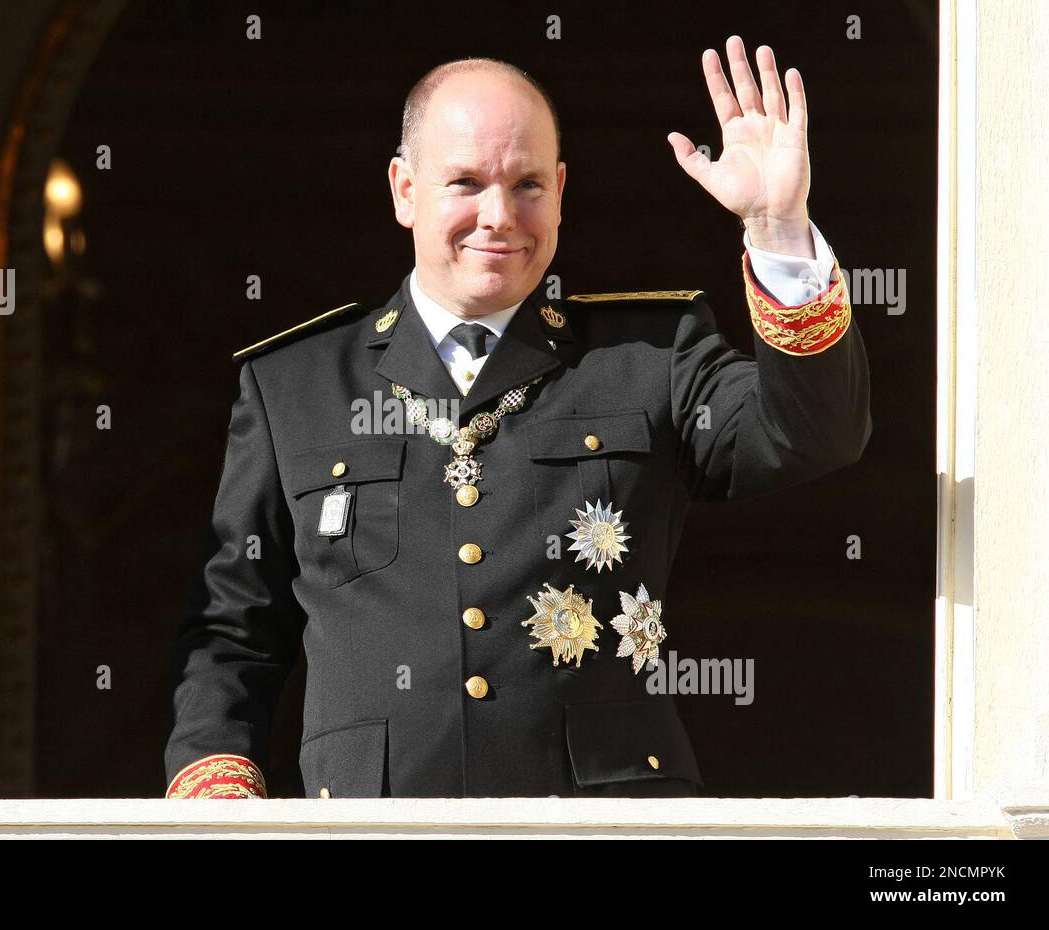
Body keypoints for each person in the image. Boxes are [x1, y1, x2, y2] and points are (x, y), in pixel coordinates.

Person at [164, 37, 870, 799]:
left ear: (562, 189)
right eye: (464, 182)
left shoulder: (649, 355)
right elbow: (233, 630)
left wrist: (778, 229)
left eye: (528, 184)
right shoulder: (293, 385)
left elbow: (811, 434)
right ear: (405, 190)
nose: (497, 217)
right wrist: (220, 806)